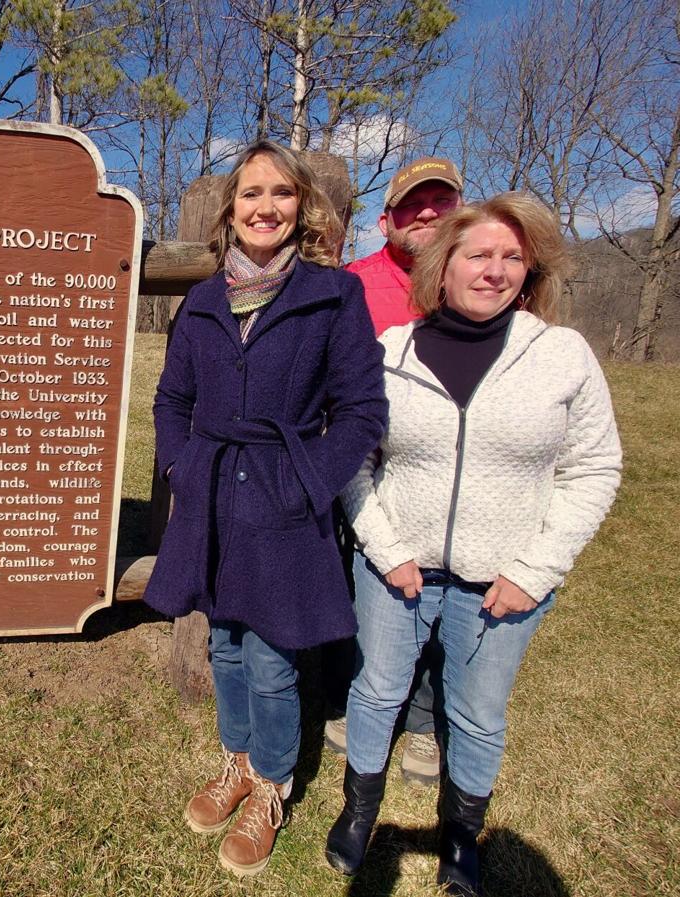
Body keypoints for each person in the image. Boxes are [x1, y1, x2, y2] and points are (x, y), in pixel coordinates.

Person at [325, 193, 622, 896]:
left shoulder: (561, 356)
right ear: (444, 265)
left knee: (477, 713)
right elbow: (354, 462)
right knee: (376, 690)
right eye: (479, 254)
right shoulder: (390, 353)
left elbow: (594, 469)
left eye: (512, 257)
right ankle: (359, 810)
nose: (495, 270)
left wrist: (535, 570)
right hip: (397, 568)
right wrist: (386, 548)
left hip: (504, 581)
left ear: (529, 270)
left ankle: (461, 835)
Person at [143, 139, 387, 877]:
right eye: (252, 193)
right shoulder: (203, 302)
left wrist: (310, 480)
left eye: (281, 193)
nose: (265, 207)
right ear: (231, 209)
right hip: (213, 496)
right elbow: (171, 399)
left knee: (274, 659)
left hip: (284, 500)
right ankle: (238, 763)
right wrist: (182, 466)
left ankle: (271, 786)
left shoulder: (333, 296)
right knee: (223, 647)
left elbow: (362, 411)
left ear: (301, 206)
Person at [323, 157, 465, 786]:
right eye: (412, 204)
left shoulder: (478, 284)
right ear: (386, 221)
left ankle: (425, 721)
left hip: (443, 473)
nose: (427, 213)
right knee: (358, 587)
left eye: (441, 202)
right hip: (359, 465)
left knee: (442, 593)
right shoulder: (352, 284)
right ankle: (353, 698)